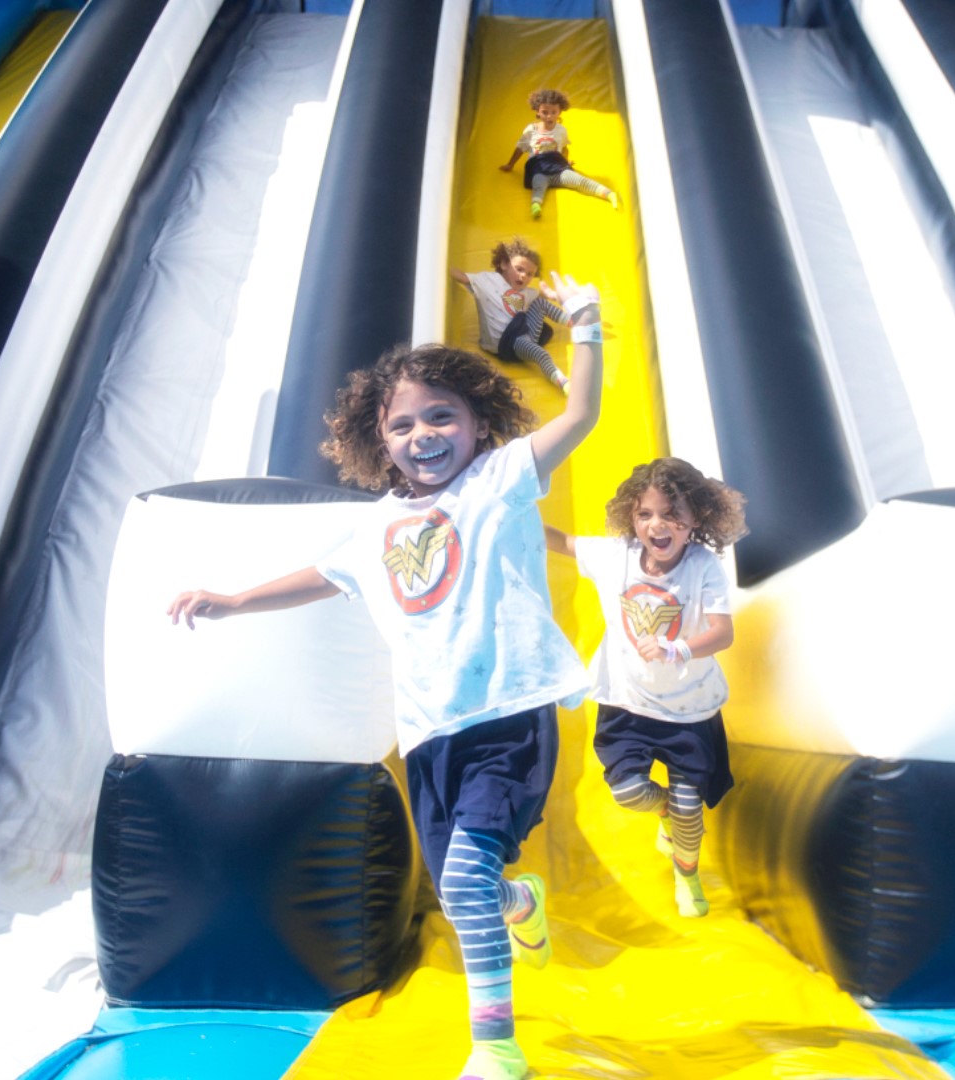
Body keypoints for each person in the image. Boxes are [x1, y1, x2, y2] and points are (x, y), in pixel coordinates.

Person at [167, 274, 606, 1080]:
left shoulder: (498, 481)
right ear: (379, 438)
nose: (422, 434)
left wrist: (584, 325)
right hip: (429, 731)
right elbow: (320, 576)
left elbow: (579, 415)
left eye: (442, 416)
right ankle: (521, 903)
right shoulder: (378, 527)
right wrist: (233, 601)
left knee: (464, 878)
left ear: (478, 424)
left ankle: (497, 1049)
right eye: (402, 423)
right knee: (465, 890)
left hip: (507, 714)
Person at [544, 458, 747, 918]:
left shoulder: (702, 567)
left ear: (696, 518)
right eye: (645, 514)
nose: (657, 525)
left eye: (672, 515)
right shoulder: (616, 556)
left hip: (688, 709)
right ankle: (665, 815)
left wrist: (678, 648)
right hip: (627, 703)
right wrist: (506, 513)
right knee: (629, 792)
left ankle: (687, 875)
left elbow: (722, 632)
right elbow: (564, 542)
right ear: (631, 517)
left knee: (691, 811)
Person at [452, 237, 571, 394]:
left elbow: (540, 302)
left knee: (540, 304)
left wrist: (548, 295)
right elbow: (461, 277)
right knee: (540, 354)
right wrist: (442, 264)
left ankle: (574, 322)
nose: (524, 276)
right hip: (506, 343)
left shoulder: (526, 293)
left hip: (523, 337)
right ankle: (562, 382)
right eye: (519, 269)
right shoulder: (488, 281)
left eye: (530, 274)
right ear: (504, 264)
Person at [499, 88, 618, 220]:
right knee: (538, 185)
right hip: (539, 169)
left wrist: (566, 163)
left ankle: (608, 193)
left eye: (553, 112)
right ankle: (536, 206)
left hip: (557, 169)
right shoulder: (531, 130)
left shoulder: (561, 130)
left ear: (560, 112)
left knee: (578, 180)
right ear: (537, 111)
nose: (549, 116)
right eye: (545, 112)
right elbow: (520, 148)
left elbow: (565, 148)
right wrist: (510, 164)